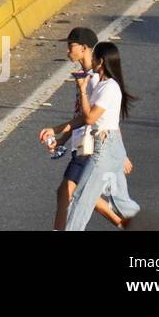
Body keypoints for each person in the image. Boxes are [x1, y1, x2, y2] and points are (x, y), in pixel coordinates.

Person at [38, 29, 137, 230]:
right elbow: (84, 118)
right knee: (73, 193)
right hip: (90, 144)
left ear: (84, 48)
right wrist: (61, 139)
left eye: (71, 45)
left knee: (77, 194)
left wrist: (120, 153)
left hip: (92, 145)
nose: (67, 50)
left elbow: (91, 118)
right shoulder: (88, 77)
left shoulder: (95, 80)